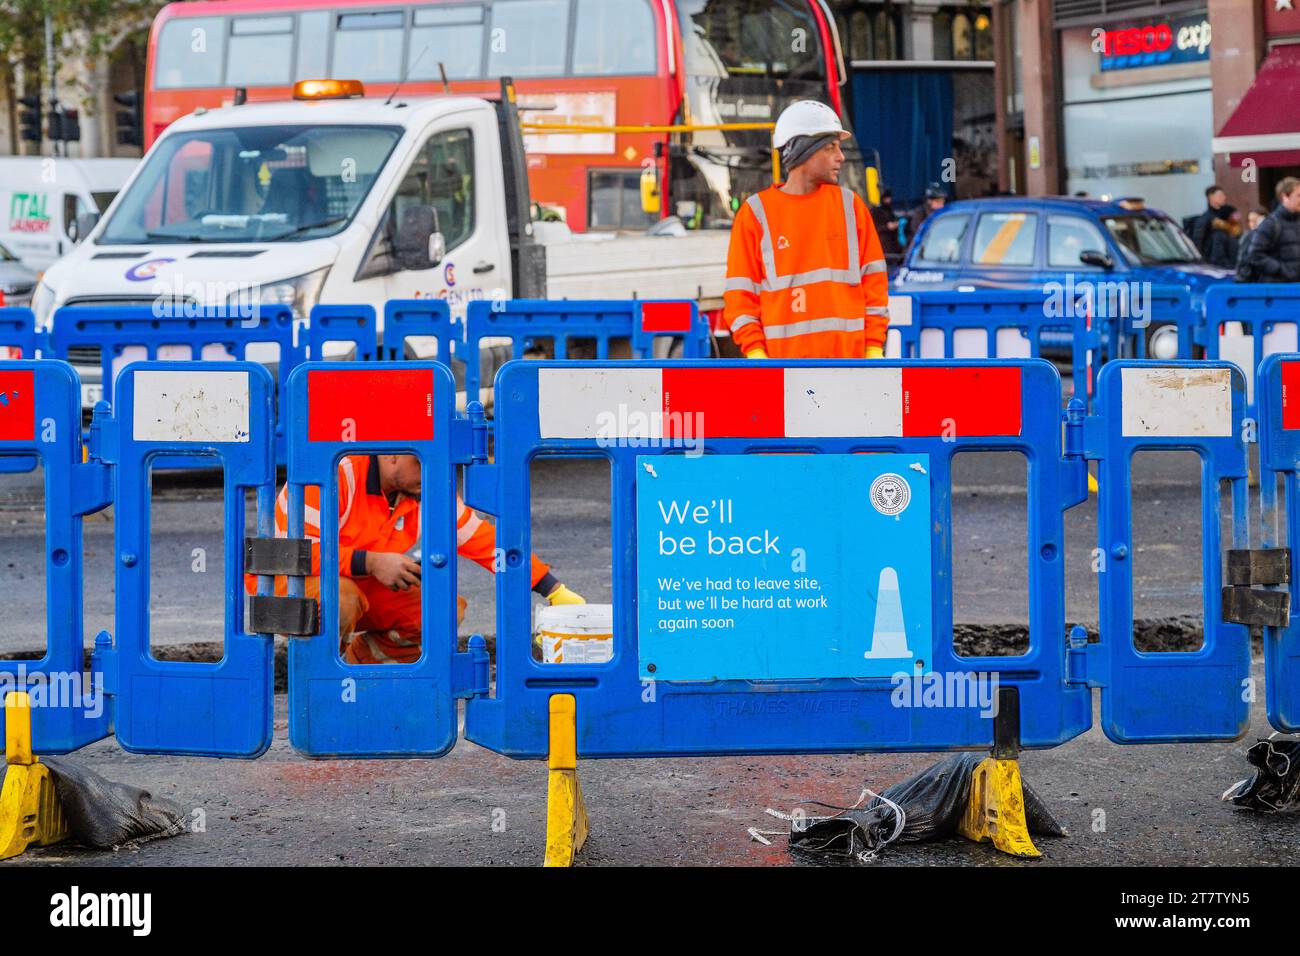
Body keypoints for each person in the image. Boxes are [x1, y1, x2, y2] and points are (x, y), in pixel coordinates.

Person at [246, 453, 584, 665]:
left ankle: (356, 675)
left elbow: (480, 539)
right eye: (421, 460)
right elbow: (296, 552)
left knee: (443, 609)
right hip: (284, 590)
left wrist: (551, 589)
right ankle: (318, 686)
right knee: (341, 598)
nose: (431, 468)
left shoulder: (421, 488)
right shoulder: (332, 471)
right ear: (392, 455)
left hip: (360, 589)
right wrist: (373, 562)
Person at [723, 100, 889, 359]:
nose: (841, 157)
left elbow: (874, 284)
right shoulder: (756, 214)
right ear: (803, 151)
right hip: (781, 373)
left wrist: (873, 349)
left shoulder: (850, 207)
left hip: (851, 369)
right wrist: (756, 355)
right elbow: (740, 296)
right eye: (830, 147)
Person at [1244, 177, 1300, 283]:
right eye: (1298, 195)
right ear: (1284, 197)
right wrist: (1282, 270)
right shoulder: (1270, 224)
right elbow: (1255, 255)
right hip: (1277, 290)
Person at [1189, 185, 1227, 257]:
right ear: (1211, 197)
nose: (1224, 198)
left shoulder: (1224, 216)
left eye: (1224, 195)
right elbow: (1197, 242)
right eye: (1220, 196)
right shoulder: (1205, 219)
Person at [1236, 206, 1270, 281]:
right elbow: (1243, 260)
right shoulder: (1248, 236)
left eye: (1256, 221)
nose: (1253, 224)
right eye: (1251, 221)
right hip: (1251, 279)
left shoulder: (1271, 235)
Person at [1205, 204, 1242, 269]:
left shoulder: (1235, 232)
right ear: (1228, 216)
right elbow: (1218, 257)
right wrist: (1231, 268)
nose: (1238, 216)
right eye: (1235, 214)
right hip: (1226, 271)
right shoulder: (1219, 234)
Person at [871, 187, 903, 263]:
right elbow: (874, 227)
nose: (889, 200)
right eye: (886, 198)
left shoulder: (889, 209)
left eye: (889, 198)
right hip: (883, 246)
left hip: (892, 245)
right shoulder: (875, 211)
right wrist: (887, 227)